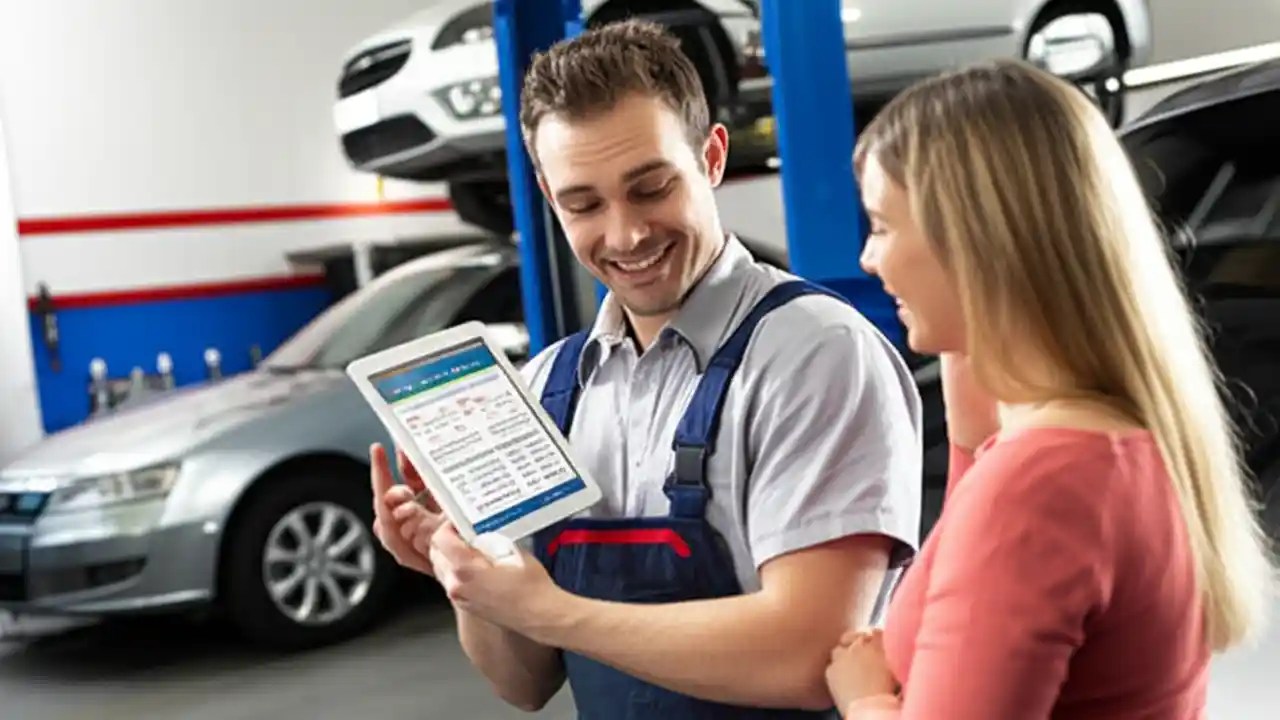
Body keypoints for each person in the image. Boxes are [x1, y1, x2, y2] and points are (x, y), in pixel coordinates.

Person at [369, 19, 924, 718]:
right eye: (584, 204)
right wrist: (467, 572)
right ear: (547, 195)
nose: (626, 234)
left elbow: (812, 653)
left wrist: (554, 611)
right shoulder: (548, 390)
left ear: (712, 157)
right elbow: (525, 681)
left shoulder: (816, 355)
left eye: (652, 187)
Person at [823, 59, 1276, 719]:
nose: (870, 259)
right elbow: (971, 532)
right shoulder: (1121, 441)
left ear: (974, 242)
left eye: (884, 227)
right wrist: (974, 370)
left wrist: (864, 699)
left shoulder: (1039, 488)